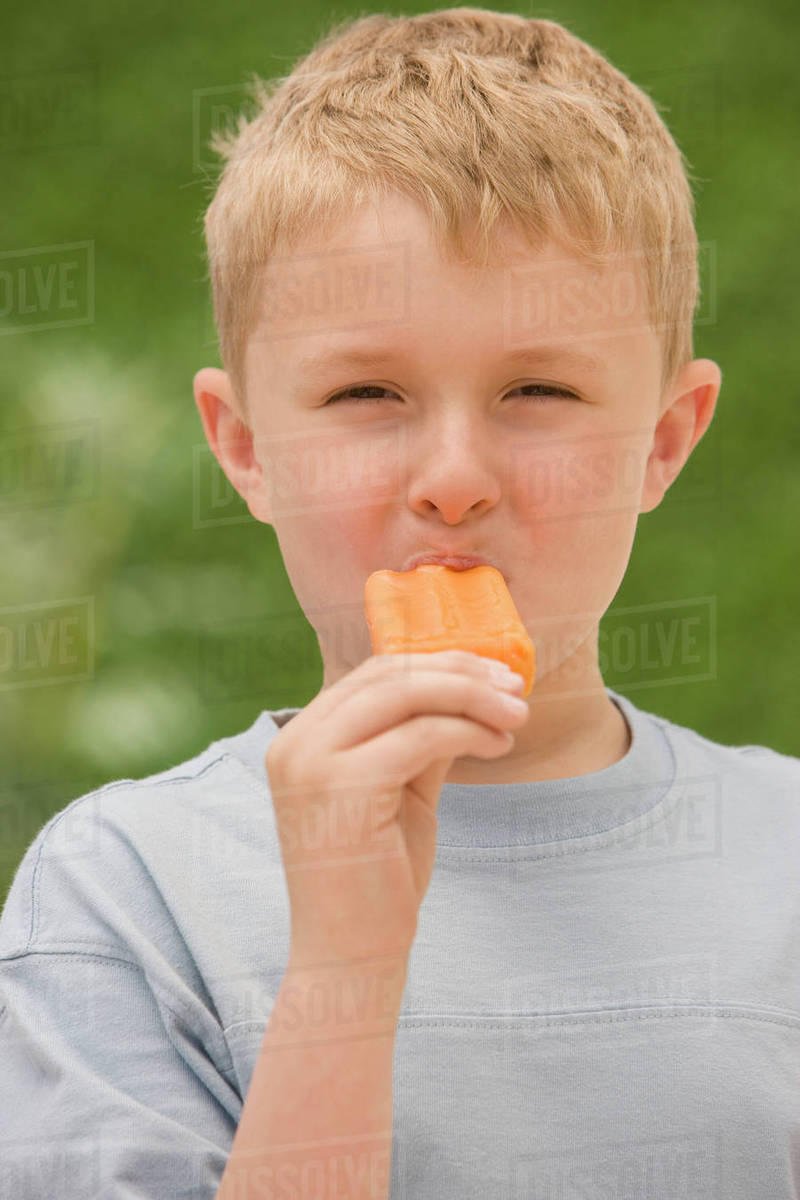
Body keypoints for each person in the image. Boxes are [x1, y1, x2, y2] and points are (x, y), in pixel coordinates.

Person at [2, 8, 798, 1198]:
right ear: (246, 447)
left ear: (663, 440)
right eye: (367, 391)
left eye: (538, 388)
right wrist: (342, 967)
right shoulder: (126, 892)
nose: (454, 482)